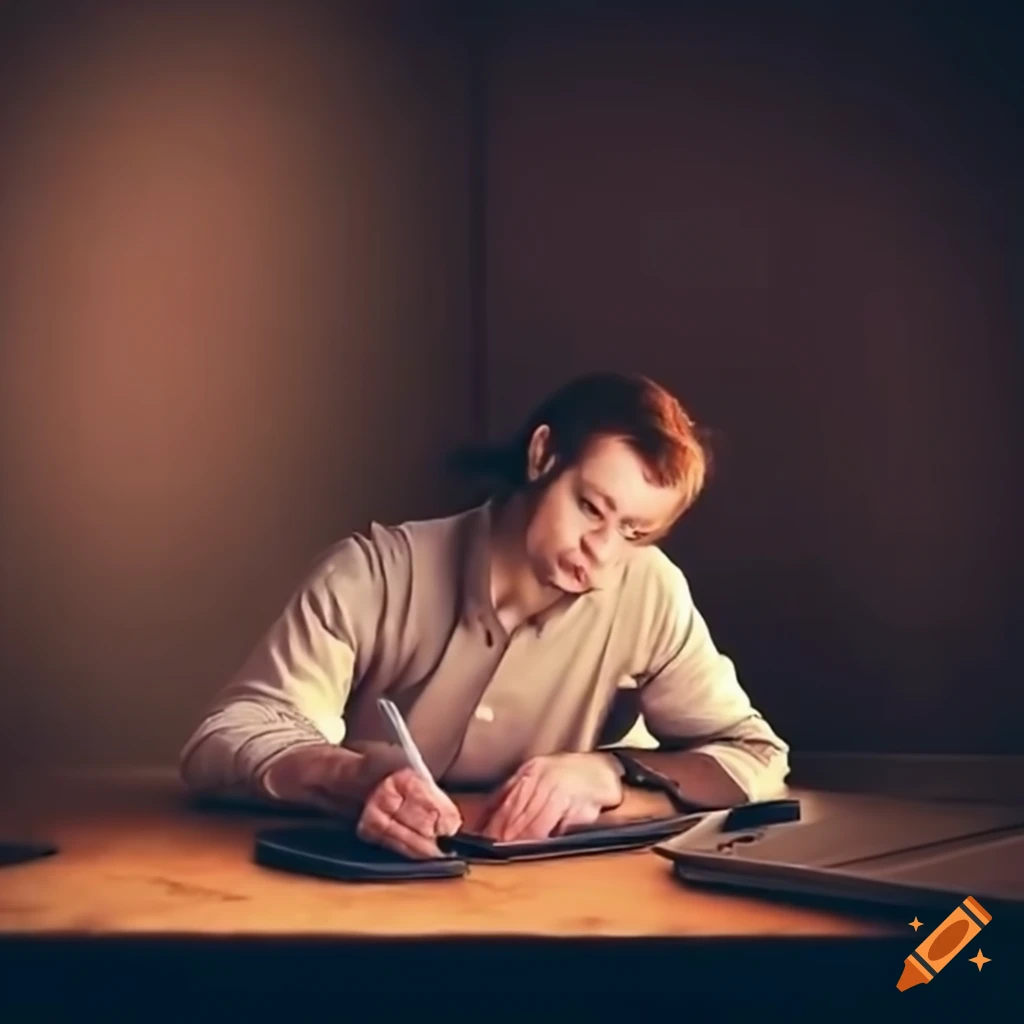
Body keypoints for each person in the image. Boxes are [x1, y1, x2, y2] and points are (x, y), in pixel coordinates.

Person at [179, 371, 789, 859]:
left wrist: (611, 777)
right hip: (373, 896)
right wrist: (352, 780)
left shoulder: (651, 591)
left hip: (576, 911)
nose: (602, 552)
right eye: (590, 508)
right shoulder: (375, 572)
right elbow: (222, 739)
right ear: (542, 455)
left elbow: (757, 755)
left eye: (634, 532)